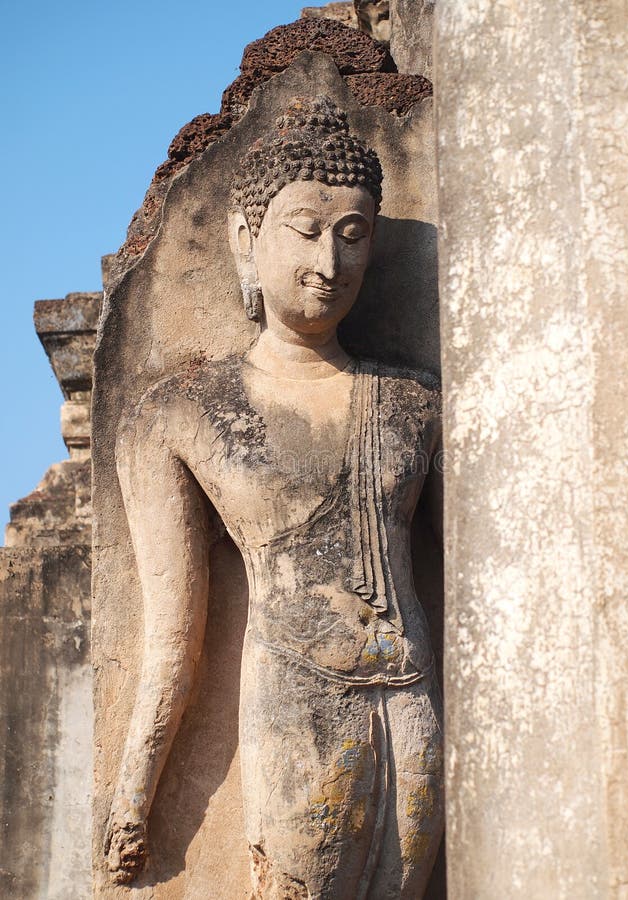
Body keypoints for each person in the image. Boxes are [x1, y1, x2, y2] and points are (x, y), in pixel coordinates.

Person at [106, 98, 444, 898]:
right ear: (244, 238)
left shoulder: (415, 402)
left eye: (353, 234)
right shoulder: (182, 411)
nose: (329, 261)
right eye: (305, 229)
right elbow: (173, 634)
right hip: (295, 697)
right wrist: (133, 795)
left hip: (412, 695)